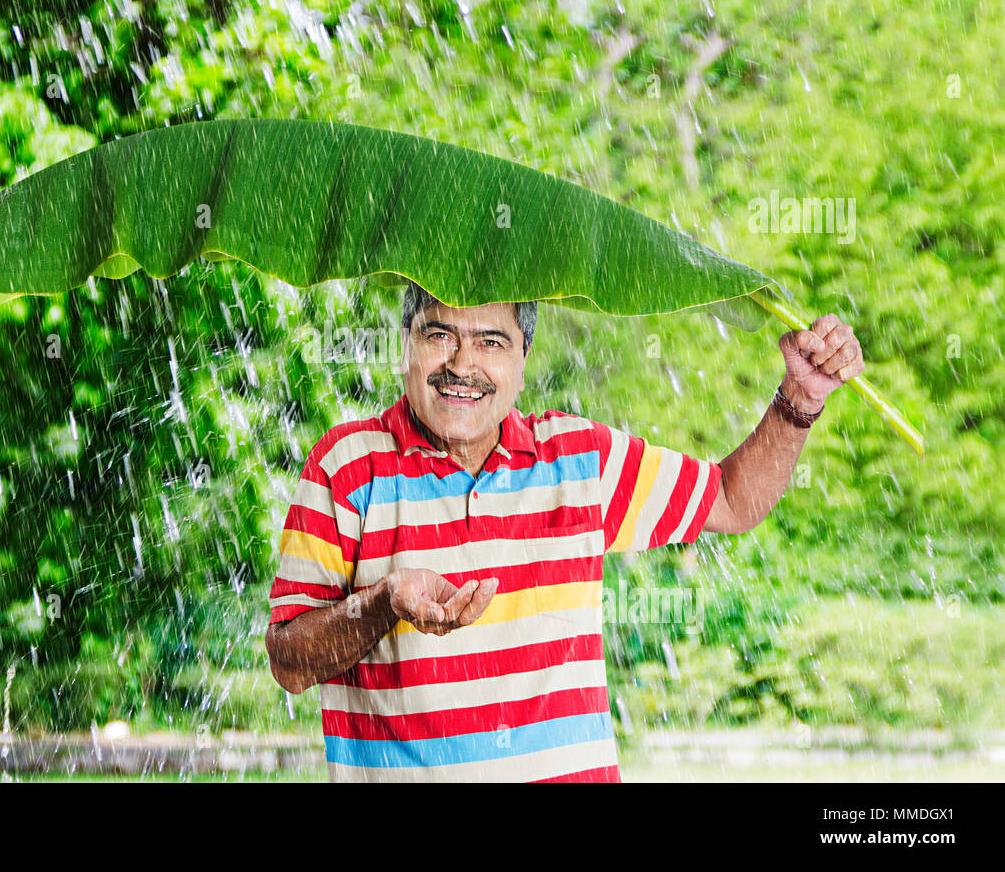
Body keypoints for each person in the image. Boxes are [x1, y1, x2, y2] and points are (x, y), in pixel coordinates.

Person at [264, 281, 866, 782]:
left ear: (523, 359)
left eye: (490, 341)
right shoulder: (346, 467)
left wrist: (800, 397)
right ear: (407, 348)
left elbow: (733, 502)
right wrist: (382, 603)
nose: (461, 364)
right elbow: (289, 661)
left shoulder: (580, 459)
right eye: (439, 334)